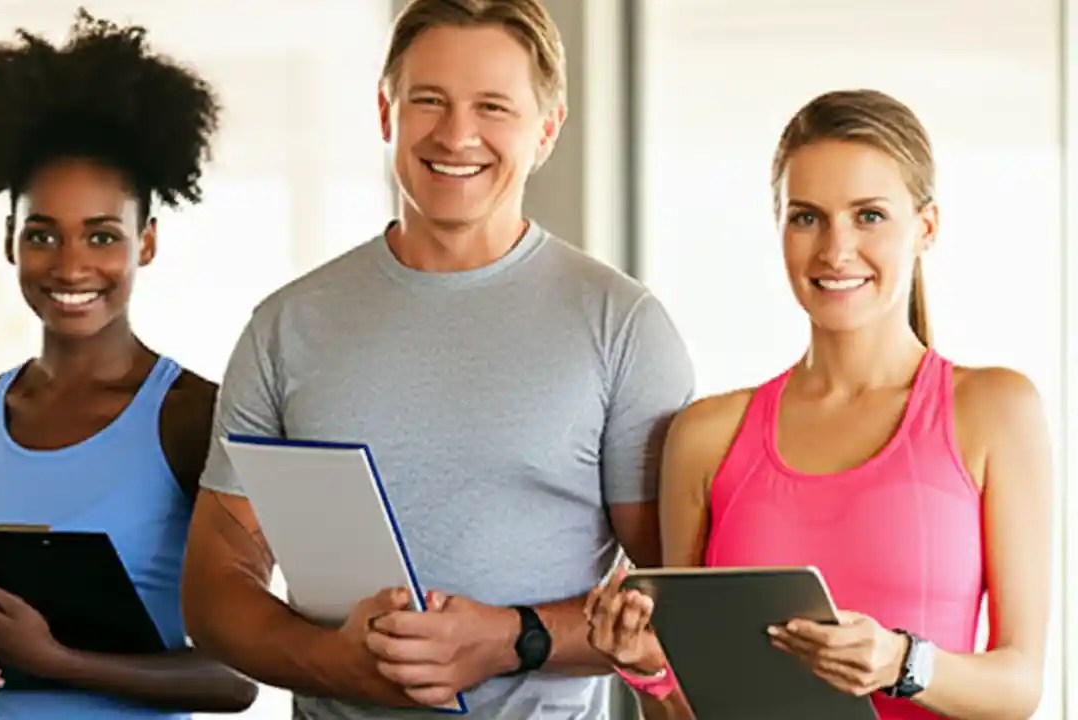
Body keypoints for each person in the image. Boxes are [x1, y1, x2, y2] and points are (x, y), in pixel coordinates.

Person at [180, 0, 695, 717]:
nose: (457, 135)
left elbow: (674, 599)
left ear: (547, 130)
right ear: (387, 113)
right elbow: (215, 588)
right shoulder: (286, 326)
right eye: (430, 101)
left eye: (493, 107)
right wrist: (336, 663)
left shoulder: (622, 327)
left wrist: (512, 637)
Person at [586, 88, 1053, 720]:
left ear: (927, 227)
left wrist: (900, 662)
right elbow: (685, 707)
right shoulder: (705, 436)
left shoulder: (995, 409)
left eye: (869, 216)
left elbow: (1020, 684)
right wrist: (648, 672)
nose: (835, 251)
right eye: (807, 217)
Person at [0, 10, 257, 719]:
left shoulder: (193, 416)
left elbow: (239, 677)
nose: (71, 265)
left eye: (102, 235)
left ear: (147, 243)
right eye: (43, 234)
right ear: (11, 240)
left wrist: (59, 662)